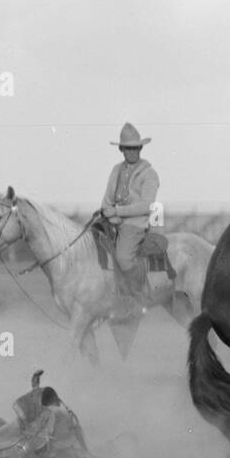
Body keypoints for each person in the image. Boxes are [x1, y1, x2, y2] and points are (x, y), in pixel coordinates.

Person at [99, 122, 160, 314]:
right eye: (128, 148)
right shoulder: (116, 170)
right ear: (121, 149)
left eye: (135, 148)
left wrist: (117, 212)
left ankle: (141, 297)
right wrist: (108, 213)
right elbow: (107, 199)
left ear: (141, 148)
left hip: (135, 223)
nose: (132, 152)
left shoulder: (149, 174)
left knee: (124, 258)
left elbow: (146, 206)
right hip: (112, 221)